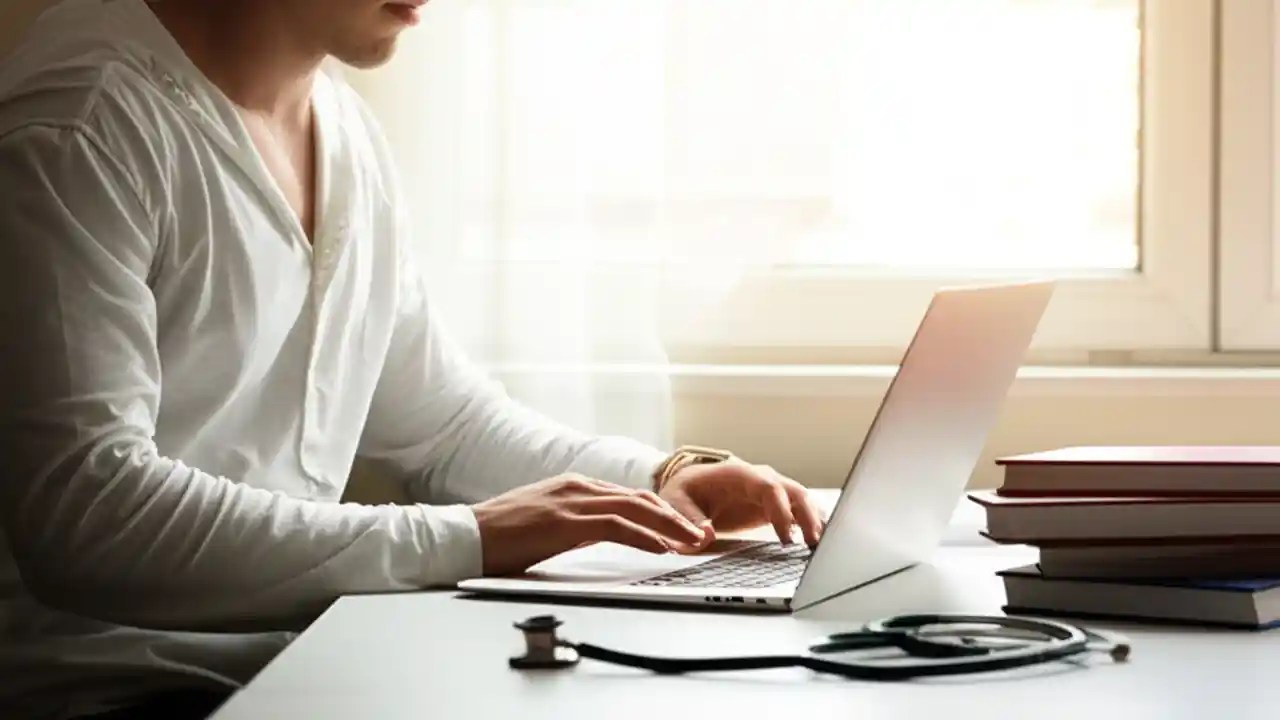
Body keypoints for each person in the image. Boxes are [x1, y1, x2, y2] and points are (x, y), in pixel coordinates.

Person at [0, 1, 825, 717]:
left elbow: (442, 427)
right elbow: (88, 515)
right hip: (114, 690)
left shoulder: (343, 125)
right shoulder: (81, 124)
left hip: (294, 665)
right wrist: (469, 538)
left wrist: (656, 481)